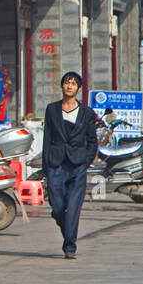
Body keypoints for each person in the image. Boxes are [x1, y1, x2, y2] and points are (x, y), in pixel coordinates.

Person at [42, 71, 98, 259]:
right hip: (56, 163)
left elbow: (92, 140)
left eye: (73, 84)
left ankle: (70, 246)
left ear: (78, 88)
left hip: (77, 165)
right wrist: (46, 164)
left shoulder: (87, 113)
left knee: (73, 206)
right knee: (57, 206)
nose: (69, 86)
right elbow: (47, 138)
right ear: (62, 86)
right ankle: (66, 227)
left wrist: (86, 160)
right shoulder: (52, 110)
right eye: (67, 83)